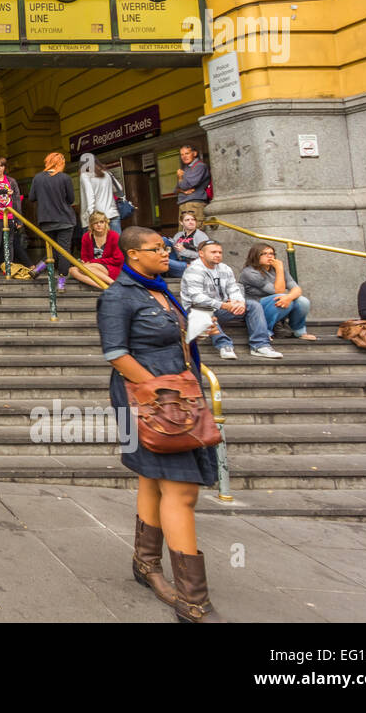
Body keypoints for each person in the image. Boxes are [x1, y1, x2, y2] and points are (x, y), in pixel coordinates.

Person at [97, 225, 225, 622]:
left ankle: (146, 563)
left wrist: (197, 330)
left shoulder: (161, 290)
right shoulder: (117, 297)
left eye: (165, 248)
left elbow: (168, 338)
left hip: (178, 395)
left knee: (153, 478)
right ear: (133, 254)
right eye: (156, 249)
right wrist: (158, 393)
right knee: (181, 489)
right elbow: (117, 353)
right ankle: (192, 597)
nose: (165, 254)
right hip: (156, 401)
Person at [181, 240, 283, 360]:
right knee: (202, 309)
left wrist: (239, 302)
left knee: (253, 305)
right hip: (196, 311)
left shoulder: (225, 269)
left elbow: (234, 290)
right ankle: (224, 345)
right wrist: (223, 305)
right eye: (213, 252)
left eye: (220, 252)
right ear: (201, 254)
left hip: (221, 310)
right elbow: (197, 298)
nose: (218, 255)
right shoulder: (194, 270)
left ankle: (260, 345)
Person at [240, 243, 316, 342]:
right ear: (255, 255)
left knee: (302, 301)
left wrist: (289, 298)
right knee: (280, 297)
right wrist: (279, 269)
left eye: (272, 253)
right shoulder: (250, 272)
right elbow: (278, 291)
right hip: (254, 308)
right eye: (264, 253)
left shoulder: (276, 269)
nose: (270, 256)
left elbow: (297, 289)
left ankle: (299, 331)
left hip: (275, 305)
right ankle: (264, 331)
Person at [29, 152, 78, 291]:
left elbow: (32, 197)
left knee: (52, 250)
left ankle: (38, 268)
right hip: (65, 220)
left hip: (46, 220)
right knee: (63, 251)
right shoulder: (65, 178)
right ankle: (61, 282)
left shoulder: (37, 178)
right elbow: (70, 199)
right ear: (60, 163)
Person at [0, 157, 25, 273]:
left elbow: (16, 200)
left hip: (9, 216)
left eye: (1, 165)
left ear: (4, 167)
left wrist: (18, 219)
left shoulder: (11, 181)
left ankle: (8, 268)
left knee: (9, 243)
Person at [70, 212, 123, 289]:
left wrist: (94, 262)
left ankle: (114, 284)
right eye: (95, 223)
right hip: (92, 267)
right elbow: (84, 257)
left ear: (106, 223)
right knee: (72, 270)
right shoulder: (87, 237)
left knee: (83, 268)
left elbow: (118, 259)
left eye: (101, 222)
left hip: (112, 268)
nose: (99, 225)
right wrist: (86, 262)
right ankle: (105, 287)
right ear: (91, 225)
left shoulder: (114, 236)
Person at [78, 152, 121, 234]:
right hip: (112, 214)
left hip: (98, 219)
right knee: (116, 245)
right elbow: (118, 188)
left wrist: (92, 218)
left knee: (98, 246)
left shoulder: (85, 176)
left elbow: (90, 197)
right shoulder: (107, 173)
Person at [165, 212, 209, 278]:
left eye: (193, 219)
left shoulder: (200, 236)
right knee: (164, 240)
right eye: (187, 220)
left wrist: (183, 251)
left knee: (160, 260)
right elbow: (174, 251)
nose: (191, 222)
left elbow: (206, 257)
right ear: (181, 222)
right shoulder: (178, 235)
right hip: (178, 262)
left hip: (191, 266)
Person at [176, 144, 211, 223]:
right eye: (182, 154)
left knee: (194, 232)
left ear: (194, 153)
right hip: (183, 204)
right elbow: (176, 189)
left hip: (194, 203)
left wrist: (180, 178)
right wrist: (183, 191)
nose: (184, 156)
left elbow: (185, 186)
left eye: (187, 153)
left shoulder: (200, 166)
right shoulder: (185, 169)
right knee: (183, 234)